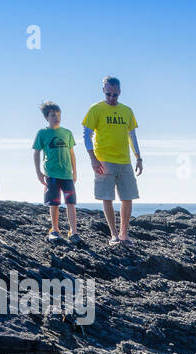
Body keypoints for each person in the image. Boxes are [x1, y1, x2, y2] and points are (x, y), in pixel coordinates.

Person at [82, 76, 142, 246]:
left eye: (115, 95)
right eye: (108, 94)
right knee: (106, 197)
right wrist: (93, 159)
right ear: (103, 91)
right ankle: (114, 235)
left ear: (120, 92)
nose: (111, 98)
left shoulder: (127, 111)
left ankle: (124, 234)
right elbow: (87, 134)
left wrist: (138, 157)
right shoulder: (95, 109)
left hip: (124, 160)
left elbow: (132, 136)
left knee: (128, 197)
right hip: (104, 160)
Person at [32, 101, 79, 243]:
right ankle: (55, 229)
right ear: (47, 117)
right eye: (53, 115)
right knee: (54, 203)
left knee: (71, 202)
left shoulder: (67, 133)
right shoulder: (42, 133)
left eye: (58, 115)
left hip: (67, 175)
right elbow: (36, 152)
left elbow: (72, 154)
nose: (56, 117)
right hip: (51, 175)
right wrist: (39, 172)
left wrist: (75, 172)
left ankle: (74, 231)